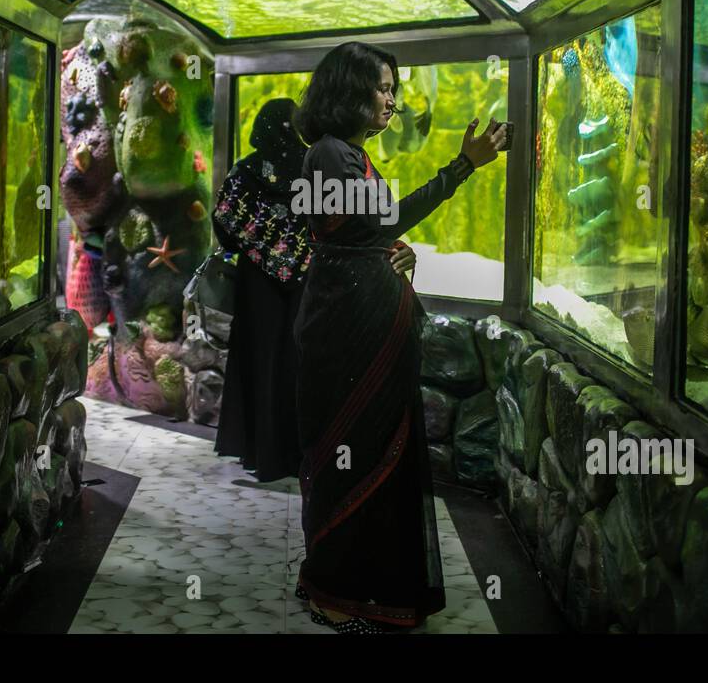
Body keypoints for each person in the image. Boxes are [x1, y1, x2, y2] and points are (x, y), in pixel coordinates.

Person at [290, 42, 506, 633]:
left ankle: (365, 583)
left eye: (393, 88)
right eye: (382, 88)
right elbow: (375, 224)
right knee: (350, 454)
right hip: (347, 331)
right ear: (349, 90)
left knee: (371, 454)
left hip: (362, 323)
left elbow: (359, 234)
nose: (392, 99)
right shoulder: (330, 154)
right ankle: (338, 586)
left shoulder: (347, 155)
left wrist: (383, 250)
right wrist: (461, 167)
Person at [211, 97, 312, 482]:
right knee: (295, 365)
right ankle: (296, 454)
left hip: (257, 287)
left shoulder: (246, 171)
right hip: (303, 286)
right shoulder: (312, 169)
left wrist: (258, 248)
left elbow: (225, 224)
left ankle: (257, 451)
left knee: (258, 362)